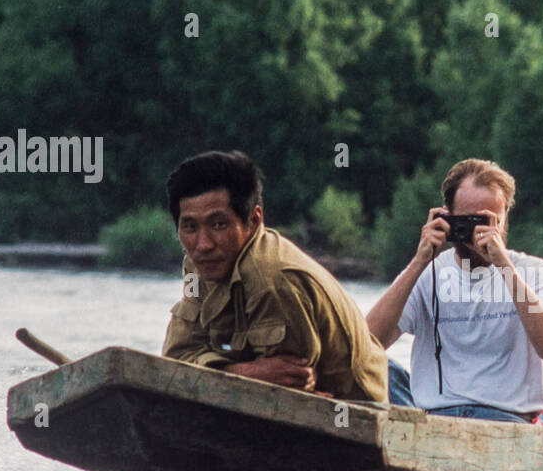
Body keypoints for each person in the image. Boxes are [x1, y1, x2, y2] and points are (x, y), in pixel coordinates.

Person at [160, 150, 387, 402]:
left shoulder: (272, 281)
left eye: (218, 225)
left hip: (353, 412)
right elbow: (176, 357)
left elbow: (287, 387)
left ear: (254, 220)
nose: (202, 244)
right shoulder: (201, 266)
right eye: (190, 227)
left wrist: (242, 376)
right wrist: (239, 372)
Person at [365, 158, 543, 423]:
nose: (479, 233)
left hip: (506, 418)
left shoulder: (532, 271)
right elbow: (366, 344)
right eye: (468, 222)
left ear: (505, 219)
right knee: (377, 368)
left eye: (490, 222)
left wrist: (503, 265)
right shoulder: (427, 273)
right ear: (446, 217)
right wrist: (419, 261)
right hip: (434, 416)